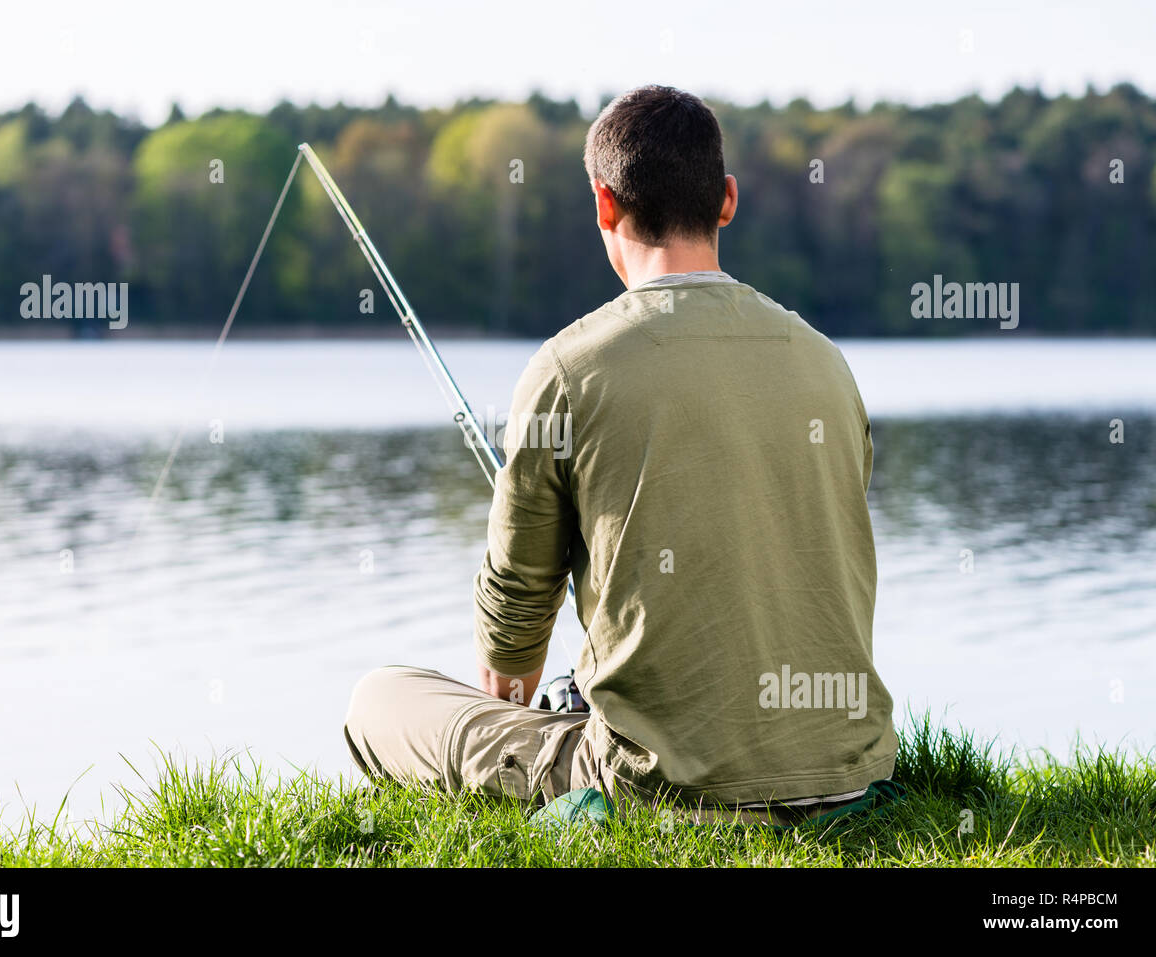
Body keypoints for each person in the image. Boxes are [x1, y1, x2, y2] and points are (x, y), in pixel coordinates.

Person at [344, 84, 899, 825]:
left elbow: (514, 617)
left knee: (379, 698)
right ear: (726, 200)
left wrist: (519, 715)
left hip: (662, 786)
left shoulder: (568, 368)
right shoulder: (826, 361)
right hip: (848, 773)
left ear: (605, 204)